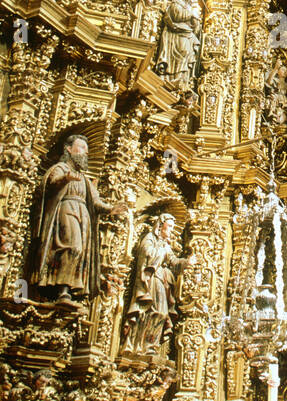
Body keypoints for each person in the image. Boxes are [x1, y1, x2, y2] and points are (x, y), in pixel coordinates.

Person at [30, 134, 106, 303]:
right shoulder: (61, 168)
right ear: (69, 149)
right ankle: (58, 287)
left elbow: (96, 202)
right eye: (81, 148)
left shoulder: (85, 179)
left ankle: (67, 289)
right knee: (73, 247)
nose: (85, 153)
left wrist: (112, 209)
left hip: (82, 216)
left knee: (80, 252)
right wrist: (65, 179)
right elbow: (50, 184)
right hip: (65, 210)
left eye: (87, 151)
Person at [121, 213, 195, 357]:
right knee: (148, 310)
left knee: (161, 313)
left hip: (161, 279)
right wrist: (161, 250)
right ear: (160, 225)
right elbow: (146, 253)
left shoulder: (165, 245)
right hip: (149, 279)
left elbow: (173, 262)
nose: (172, 229)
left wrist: (187, 261)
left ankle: (151, 345)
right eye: (170, 226)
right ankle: (138, 345)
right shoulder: (150, 239)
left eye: (173, 227)